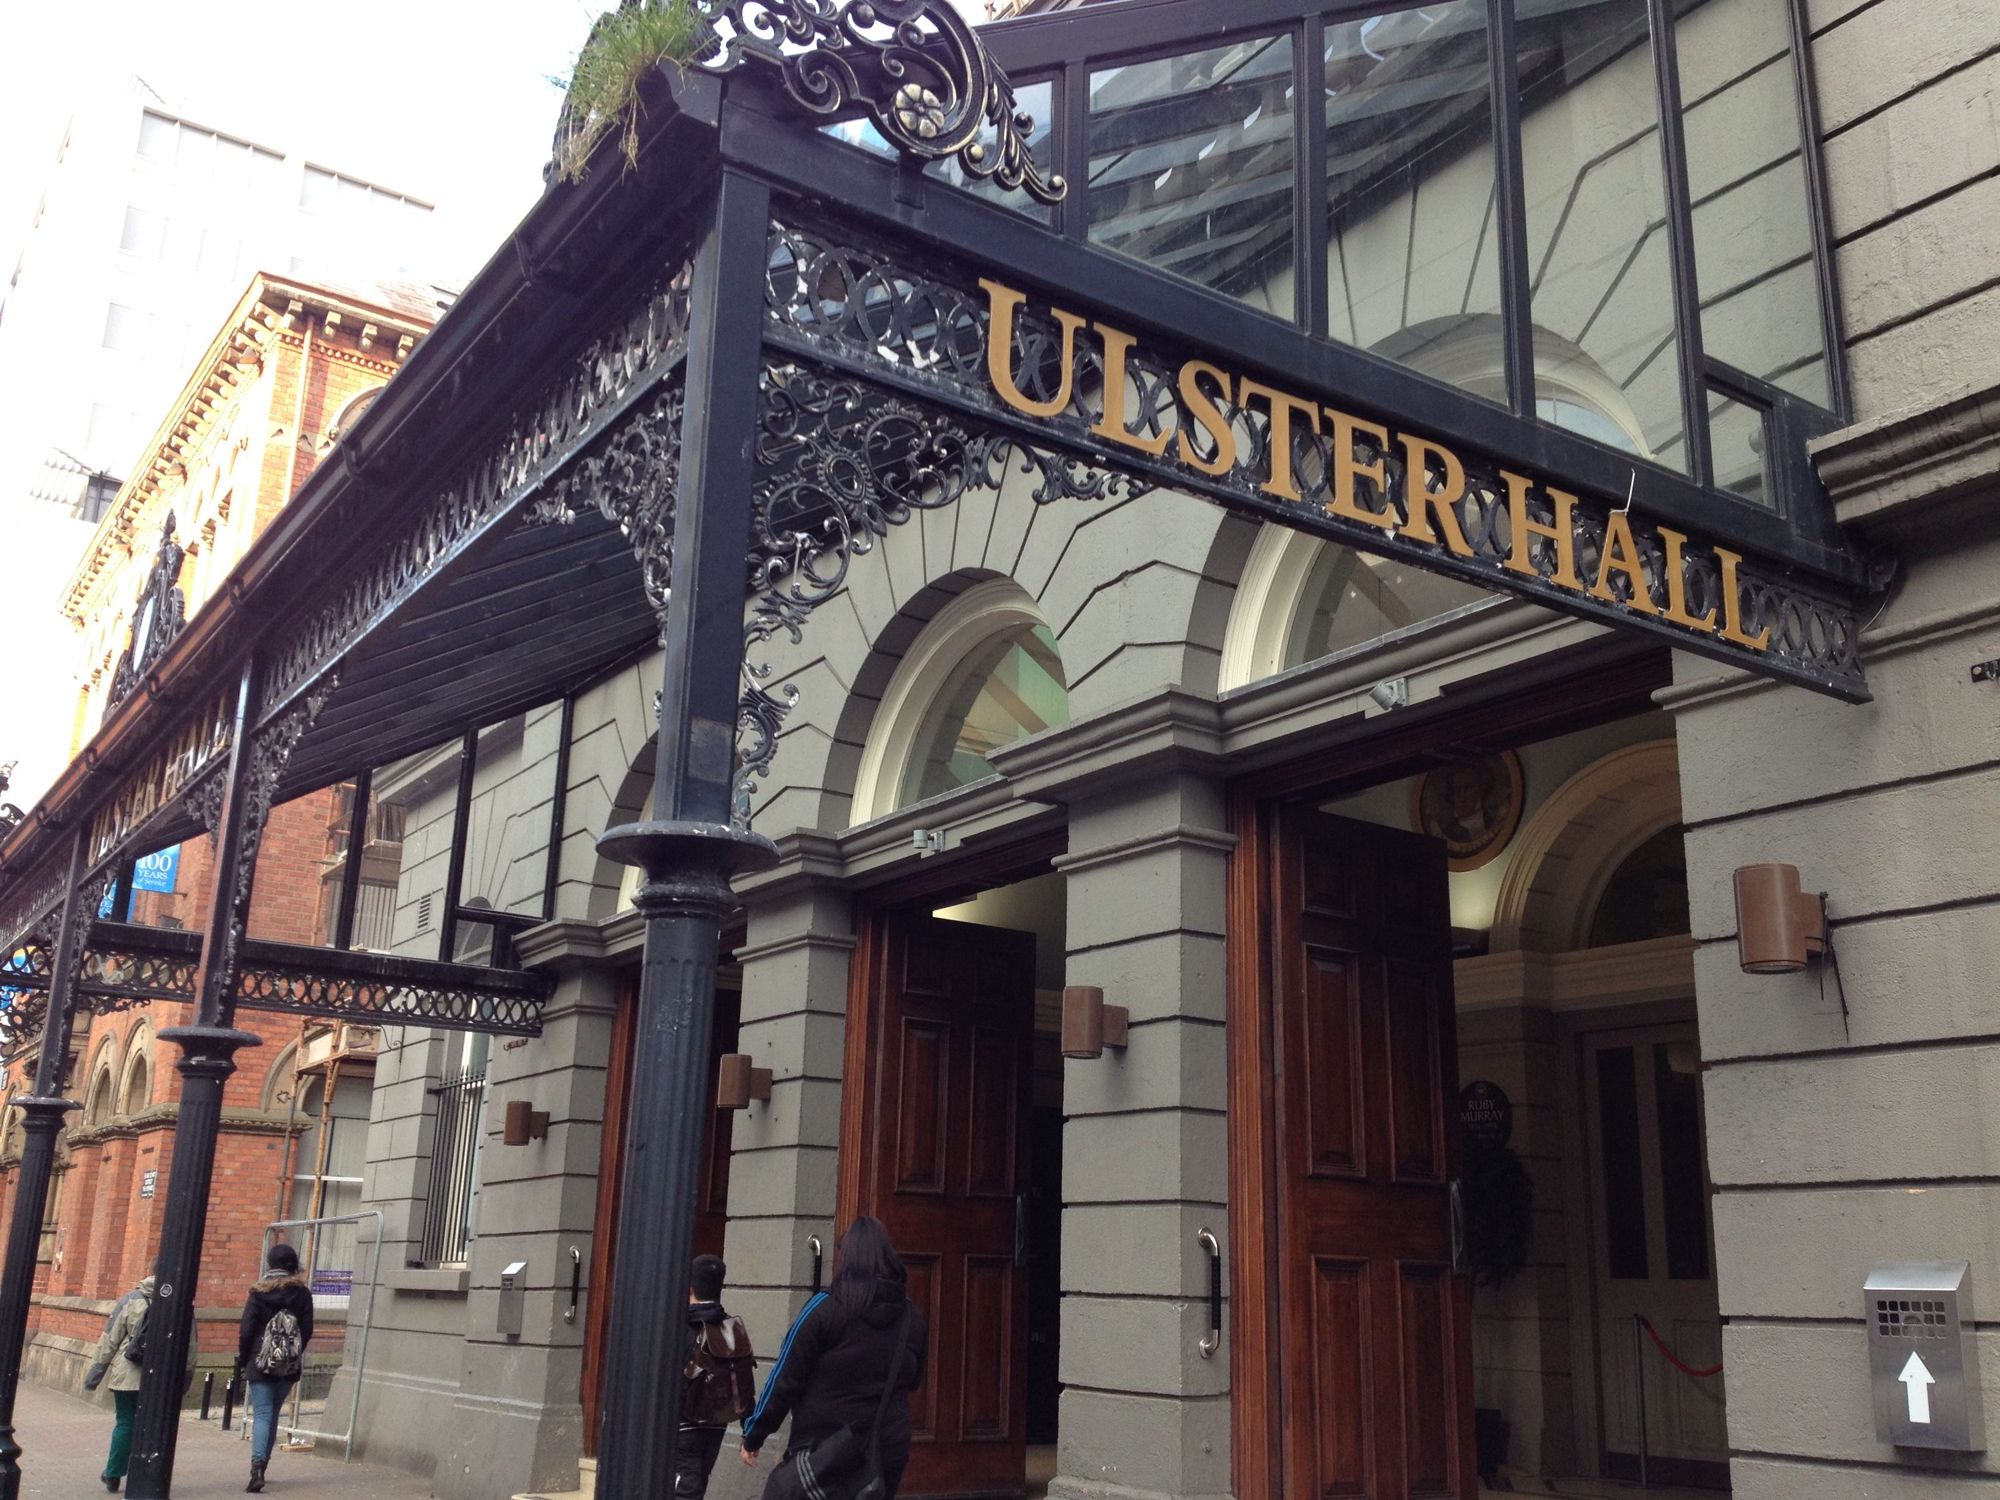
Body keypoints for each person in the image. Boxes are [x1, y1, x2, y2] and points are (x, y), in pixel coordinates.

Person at [739, 1217, 928, 1500]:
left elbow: (785, 1377)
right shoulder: (911, 1318)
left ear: (846, 1259)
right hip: (884, 1448)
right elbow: (914, 1379)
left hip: (825, 1448)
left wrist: (755, 1433)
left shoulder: (824, 1309)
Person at [677, 1253, 758, 1499]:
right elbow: (745, 1386)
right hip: (717, 1424)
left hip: (681, 1425)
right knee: (697, 1484)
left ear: (690, 1288)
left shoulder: (679, 1327)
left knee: (685, 1490)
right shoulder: (732, 1331)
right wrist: (750, 1433)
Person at [236, 1242, 315, 1493]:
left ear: (270, 1263)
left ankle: (257, 1467)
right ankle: (264, 1465)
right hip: (288, 1365)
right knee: (272, 1413)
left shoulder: (258, 1293)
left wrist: (244, 1356)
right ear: (294, 1264)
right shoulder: (302, 1294)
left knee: (262, 1414)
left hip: (260, 1361)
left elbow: (247, 1329)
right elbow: (308, 1329)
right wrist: (292, 1354)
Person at [84, 1275, 155, 1493]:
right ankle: (147, 1474)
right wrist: (186, 1377)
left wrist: (95, 1373)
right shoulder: (179, 1300)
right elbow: (190, 1343)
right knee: (152, 1425)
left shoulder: (131, 1299)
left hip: (128, 1373)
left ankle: (113, 1473)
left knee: (125, 1422)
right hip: (160, 1377)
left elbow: (110, 1338)